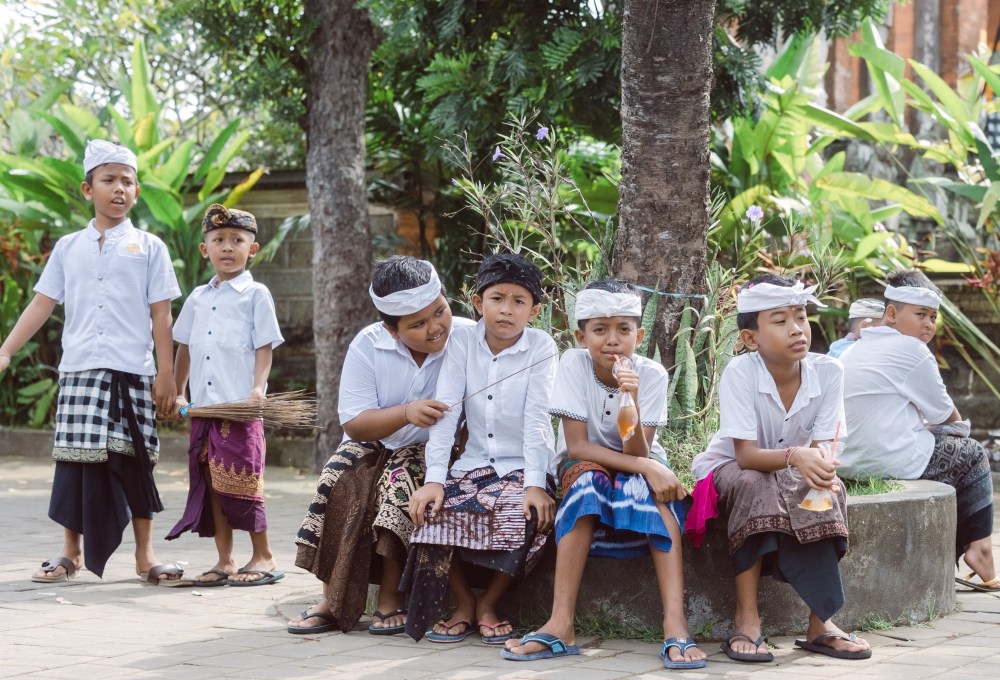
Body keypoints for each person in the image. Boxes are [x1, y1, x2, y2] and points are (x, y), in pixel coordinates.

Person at [0, 140, 186, 585]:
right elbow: (42, 304)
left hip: (134, 371)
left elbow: (162, 314)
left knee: (137, 462)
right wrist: (6, 349)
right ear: (88, 189)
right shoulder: (68, 247)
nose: (118, 189)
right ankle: (71, 552)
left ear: (137, 193)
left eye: (127, 181)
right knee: (76, 462)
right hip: (80, 369)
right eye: (109, 180)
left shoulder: (150, 247)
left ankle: (145, 557)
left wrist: (166, 375)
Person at [502, 279, 707, 668]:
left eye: (623, 330)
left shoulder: (652, 374)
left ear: (639, 334)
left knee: (661, 503)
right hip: (587, 463)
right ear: (581, 336)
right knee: (585, 484)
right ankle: (561, 623)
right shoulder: (573, 364)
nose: (612, 340)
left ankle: (675, 624)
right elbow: (577, 447)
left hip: (634, 458)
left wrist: (630, 397)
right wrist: (647, 467)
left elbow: (637, 449)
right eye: (599, 330)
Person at [687, 274, 871, 662]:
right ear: (751, 338)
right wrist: (796, 458)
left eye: (800, 317)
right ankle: (747, 619)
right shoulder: (741, 371)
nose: (796, 329)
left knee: (828, 489)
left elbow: (823, 447)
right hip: (732, 467)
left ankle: (821, 622)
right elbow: (746, 457)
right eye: (780, 320)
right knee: (757, 484)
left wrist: (817, 465)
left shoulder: (828, 372)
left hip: (790, 466)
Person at [290, 257, 473, 634]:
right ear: (392, 330)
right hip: (374, 441)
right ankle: (332, 597)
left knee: (402, 479)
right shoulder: (368, 345)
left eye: (440, 311)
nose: (435, 328)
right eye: (418, 324)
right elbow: (355, 424)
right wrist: (407, 412)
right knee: (337, 477)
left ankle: (390, 597)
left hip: (438, 451)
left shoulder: (470, 338)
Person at [402, 253, 557, 645]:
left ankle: (489, 602)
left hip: (523, 464)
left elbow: (538, 419)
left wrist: (536, 483)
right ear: (477, 302)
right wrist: (436, 479)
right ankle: (463, 602)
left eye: (519, 301)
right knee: (433, 511)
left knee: (520, 513)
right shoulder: (461, 343)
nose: (506, 310)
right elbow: (446, 412)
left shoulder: (541, 347)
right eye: (497, 299)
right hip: (472, 464)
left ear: (534, 310)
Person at [840, 270, 997, 591]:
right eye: (921, 315)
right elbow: (947, 416)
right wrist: (952, 432)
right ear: (893, 313)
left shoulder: (854, 348)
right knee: (971, 454)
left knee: (948, 447)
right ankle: (980, 549)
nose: (928, 324)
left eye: (933, 317)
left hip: (846, 459)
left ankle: (953, 554)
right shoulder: (913, 351)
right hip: (885, 459)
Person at [165, 204, 285, 586]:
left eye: (237, 240)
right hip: (203, 409)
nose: (228, 247)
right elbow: (182, 346)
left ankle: (263, 555)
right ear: (205, 250)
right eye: (218, 240)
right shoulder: (198, 297)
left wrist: (257, 388)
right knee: (211, 483)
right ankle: (224, 560)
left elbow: (264, 346)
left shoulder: (256, 294)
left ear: (253, 249)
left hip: (241, 409)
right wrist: (179, 391)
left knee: (244, 480)